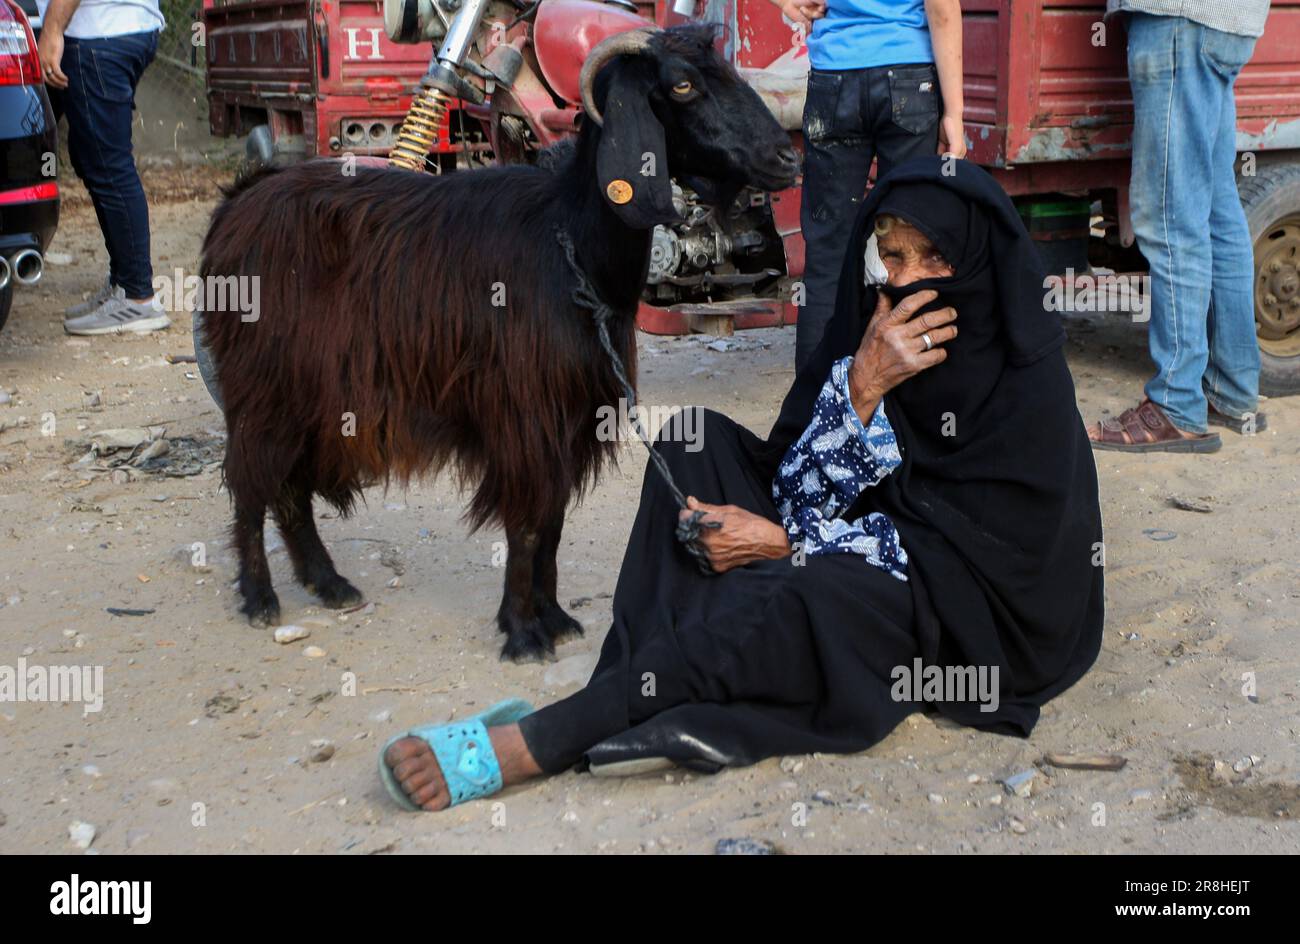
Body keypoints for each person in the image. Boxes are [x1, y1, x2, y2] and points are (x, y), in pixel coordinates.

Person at [378, 158, 1106, 812]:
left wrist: (790, 545)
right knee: (695, 442)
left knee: (813, 589)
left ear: (980, 260)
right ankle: (660, 674)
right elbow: (794, 481)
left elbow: (975, 560)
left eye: (934, 257)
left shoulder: (1025, 383)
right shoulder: (868, 338)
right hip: (852, 543)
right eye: (892, 257)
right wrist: (861, 389)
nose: (910, 280)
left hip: (959, 613)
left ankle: (545, 738)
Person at [1087, 1, 1272, 452]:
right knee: (1213, 211)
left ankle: (1176, 406)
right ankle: (1232, 390)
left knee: (1170, 217)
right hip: (1225, 22)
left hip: (1179, 17)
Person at [772, 0, 966, 371]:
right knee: (913, 252)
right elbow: (941, 8)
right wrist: (954, 113)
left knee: (827, 259)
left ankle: (813, 414)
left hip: (833, 80)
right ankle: (906, 413)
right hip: (909, 81)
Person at [36, 0, 170, 335]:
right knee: (89, 156)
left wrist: (52, 29)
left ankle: (139, 299)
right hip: (118, 30)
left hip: (98, 35)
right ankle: (124, 284)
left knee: (110, 166)